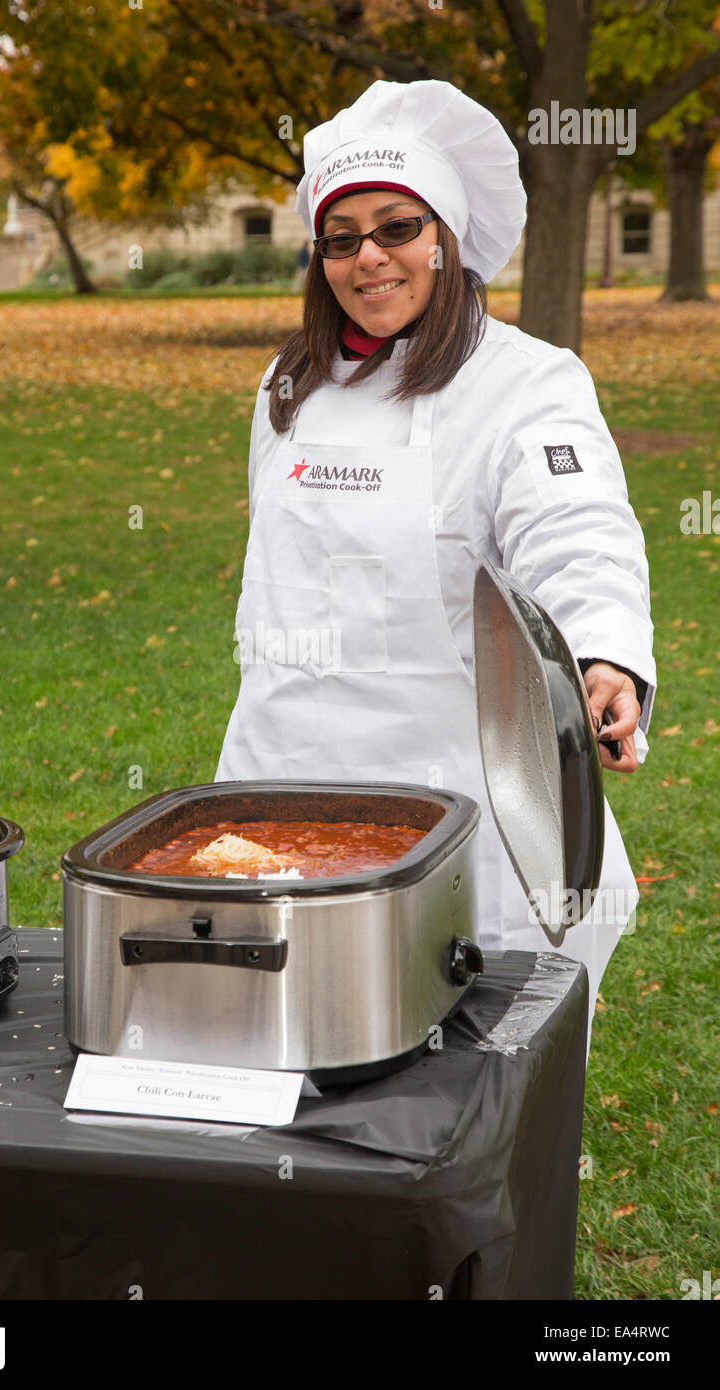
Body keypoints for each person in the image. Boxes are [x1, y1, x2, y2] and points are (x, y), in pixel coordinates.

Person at [215, 79, 656, 1056]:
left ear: (445, 238)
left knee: (463, 1096)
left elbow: (574, 527)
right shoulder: (287, 385)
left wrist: (602, 656)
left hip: (456, 800)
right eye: (341, 236)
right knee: (283, 1055)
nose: (367, 256)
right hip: (280, 767)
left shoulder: (528, 382)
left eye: (394, 226)